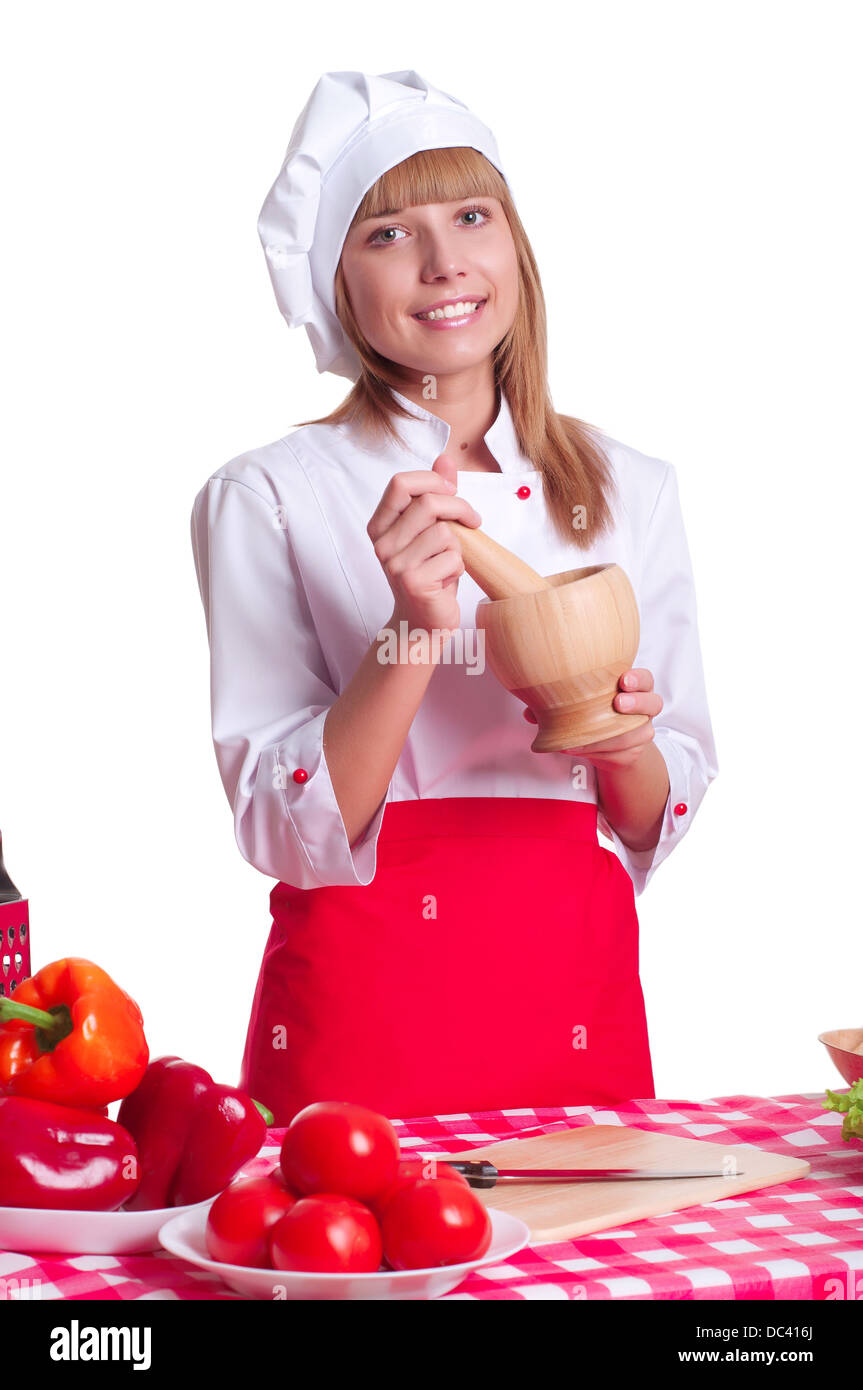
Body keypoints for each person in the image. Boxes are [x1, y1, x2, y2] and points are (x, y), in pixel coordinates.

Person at [190, 70, 718, 1125]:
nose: (444, 265)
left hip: (572, 985)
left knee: (593, 1282)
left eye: (471, 217)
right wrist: (410, 636)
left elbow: (662, 808)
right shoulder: (267, 497)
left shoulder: (629, 489)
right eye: (387, 232)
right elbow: (277, 826)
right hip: (363, 1013)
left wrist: (618, 742)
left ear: (514, 244)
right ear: (334, 279)